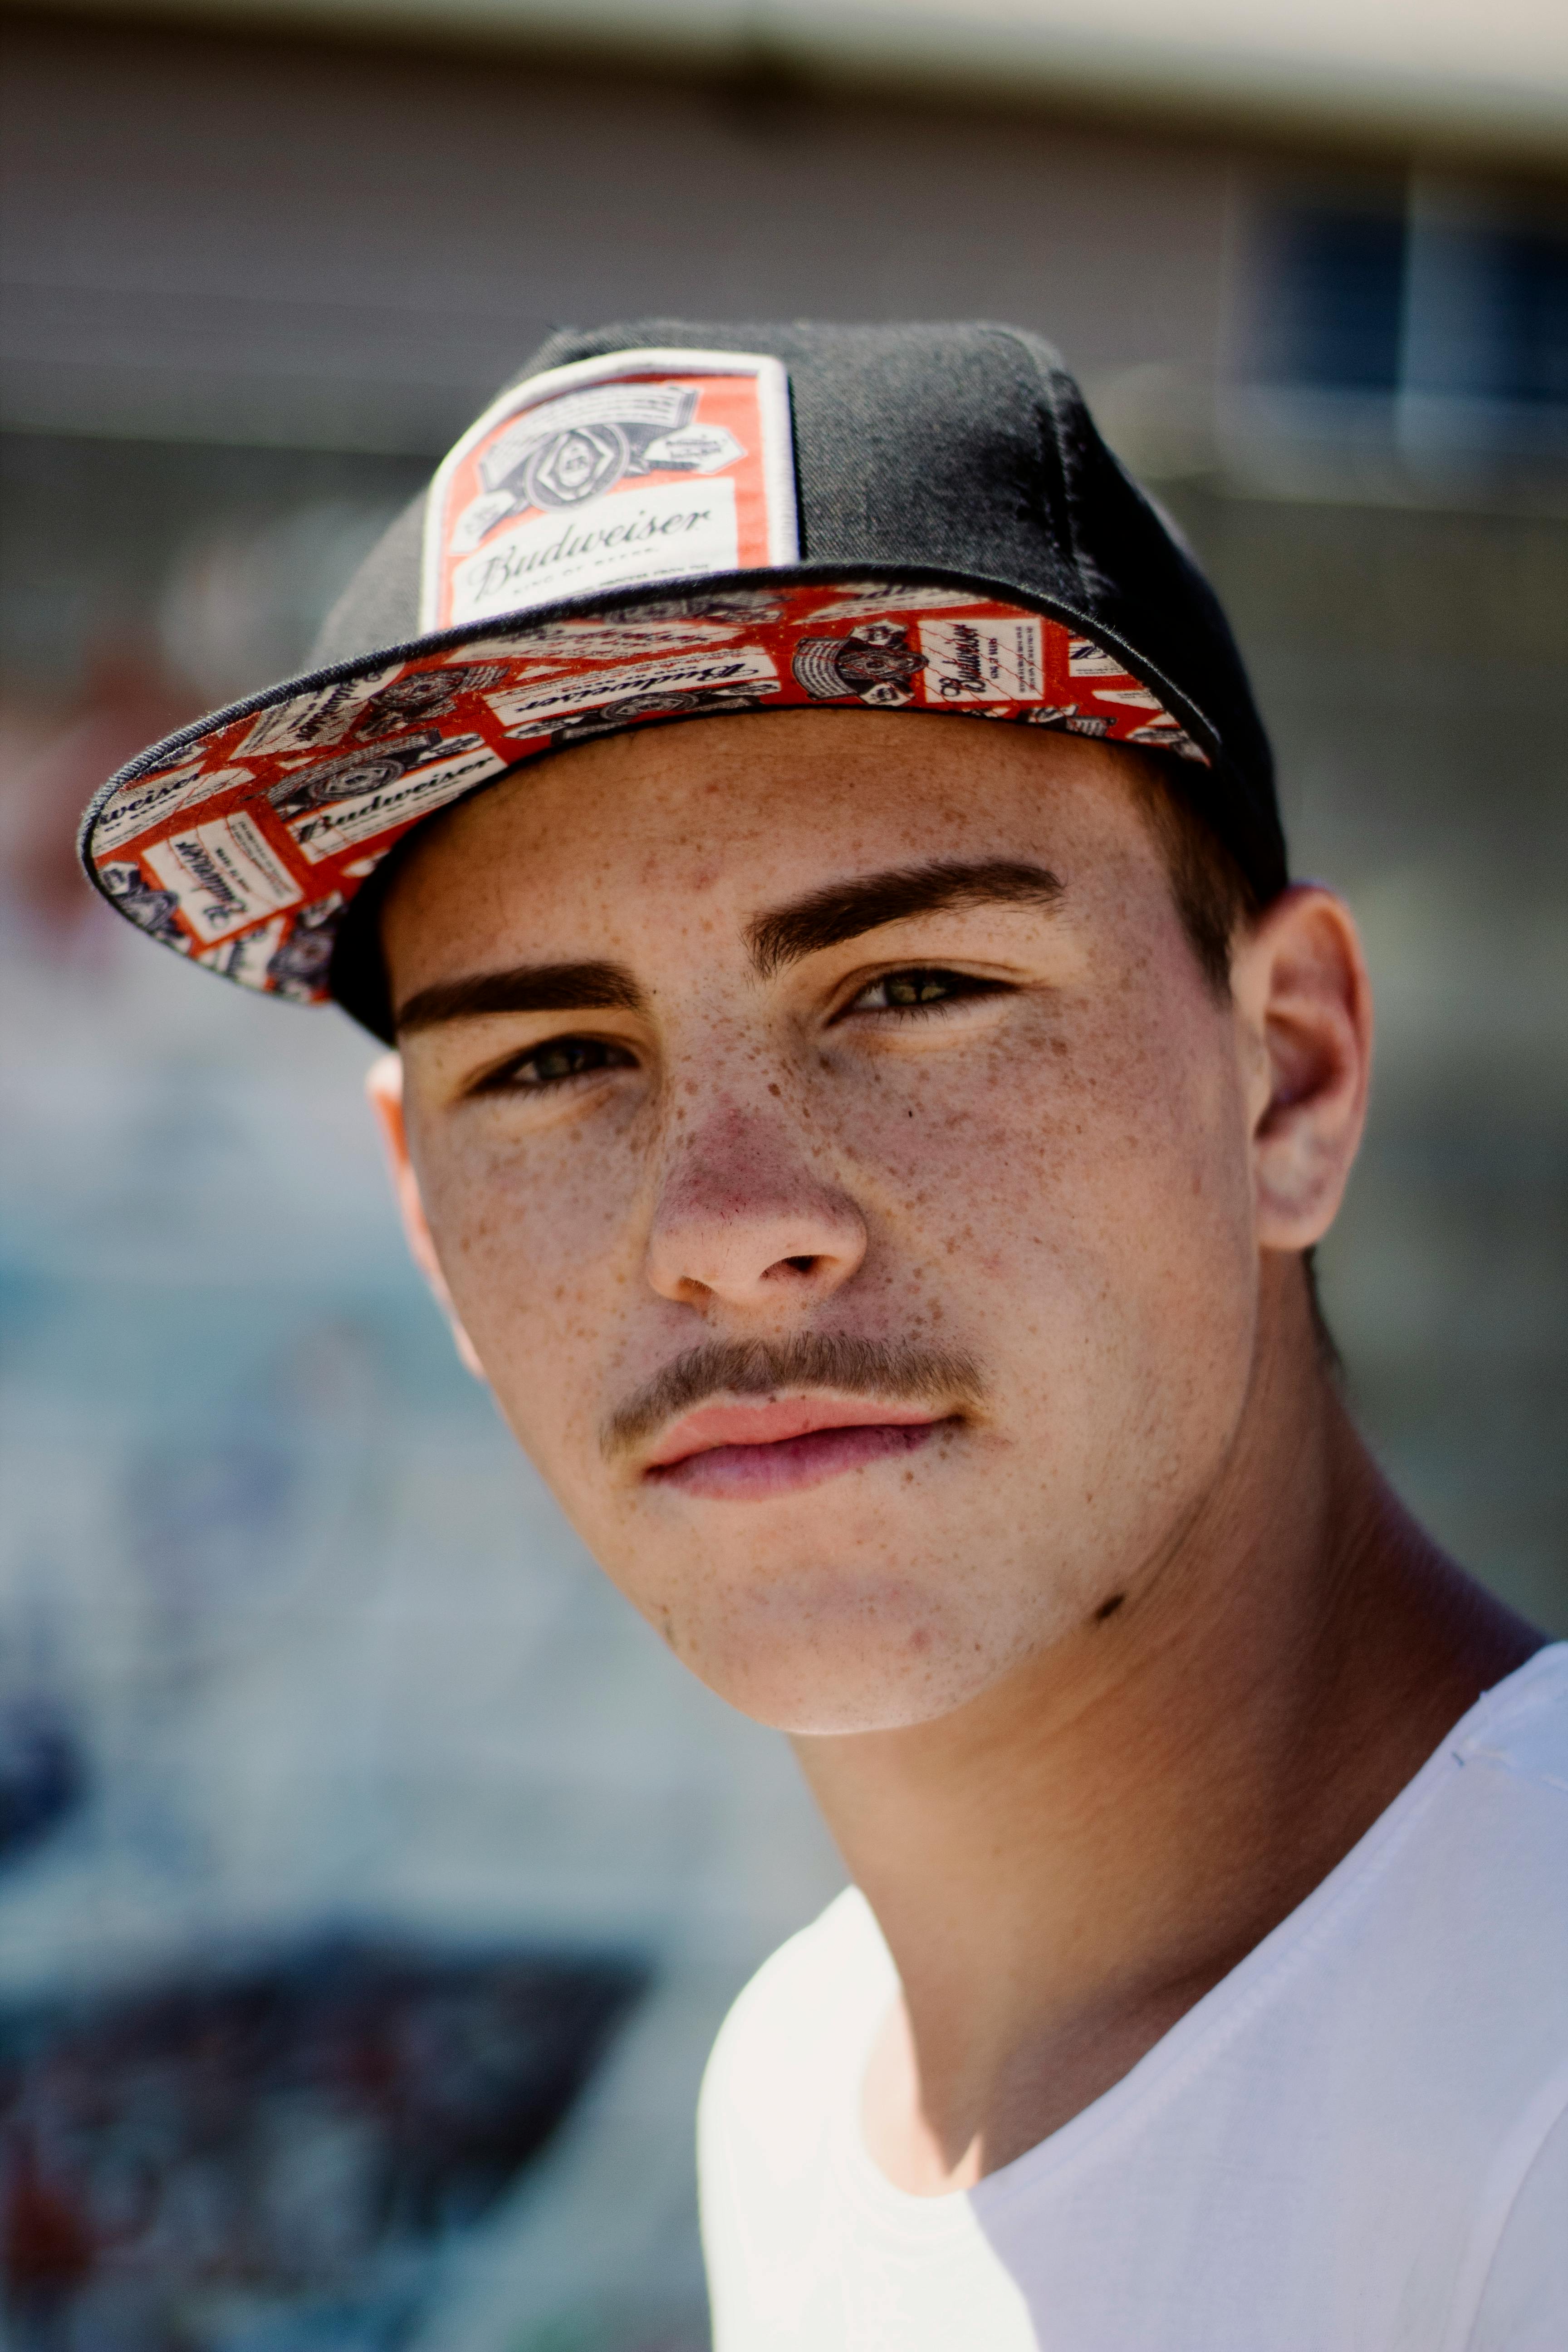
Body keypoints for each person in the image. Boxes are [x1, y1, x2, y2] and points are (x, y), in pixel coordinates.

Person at [81, 323, 1567, 2347]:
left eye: (912, 987)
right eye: (553, 1061)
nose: (730, 1226)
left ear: (1287, 1077)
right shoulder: (800, 2095)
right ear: (426, 1216)